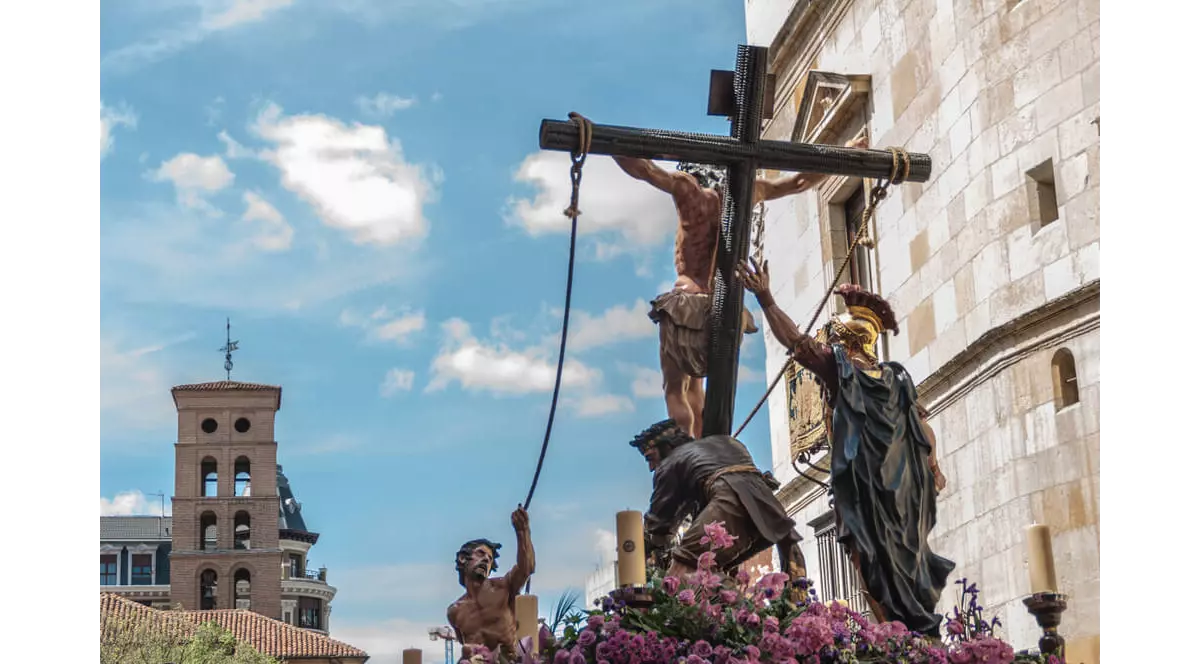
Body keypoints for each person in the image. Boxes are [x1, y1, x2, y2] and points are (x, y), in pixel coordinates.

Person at [737, 257, 954, 636]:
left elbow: (797, 344)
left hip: (867, 495)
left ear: (843, 342)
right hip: (906, 499)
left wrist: (766, 299)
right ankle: (917, 640)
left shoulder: (843, 371)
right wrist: (934, 469)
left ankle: (898, 642)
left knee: (872, 569)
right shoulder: (896, 379)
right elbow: (925, 430)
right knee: (906, 571)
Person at [614, 133, 868, 439]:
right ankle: (704, 443)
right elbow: (799, 182)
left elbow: (645, 169)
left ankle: (685, 448)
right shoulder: (750, 191)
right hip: (724, 305)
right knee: (698, 387)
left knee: (675, 386)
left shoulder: (686, 189)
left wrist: (604, 143)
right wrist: (846, 151)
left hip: (687, 298)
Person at [633, 419, 807, 583]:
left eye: (650, 457)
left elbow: (659, 523)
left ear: (666, 446)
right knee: (713, 567)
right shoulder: (728, 442)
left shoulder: (670, 462)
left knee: (681, 575)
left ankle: (741, 611)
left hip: (729, 500)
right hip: (767, 509)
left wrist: (638, 548)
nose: (651, 467)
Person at [447, 507, 535, 661]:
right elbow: (465, 649)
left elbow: (526, 568)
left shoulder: (503, 587)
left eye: (490, 558)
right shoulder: (455, 611)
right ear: (462, 559)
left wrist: (522, 532)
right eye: (480, 553)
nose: (487, 559)